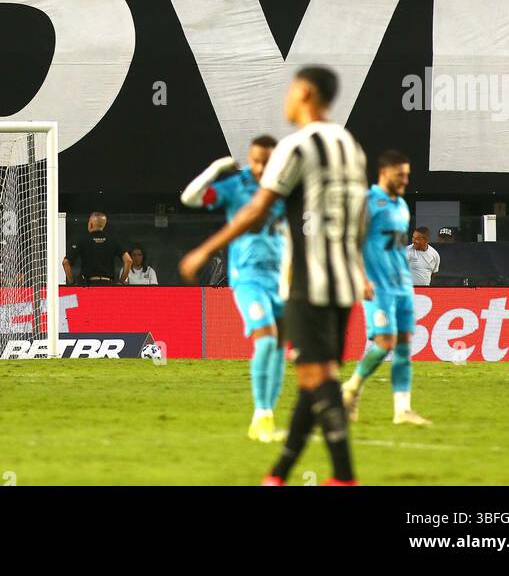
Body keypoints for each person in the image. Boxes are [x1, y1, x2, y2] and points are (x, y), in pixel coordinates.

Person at [180, 65, 368, 488]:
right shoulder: (350, 145)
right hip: (341, 280)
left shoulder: (295, 146)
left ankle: (344, 477)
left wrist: (206, 249)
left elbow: (257, 210)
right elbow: (361, 215)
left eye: (290, 89)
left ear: (305, 92)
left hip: (304, 279)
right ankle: (278, 474)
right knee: (312, 376)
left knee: (317, 378)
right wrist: (358, 267)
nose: (286, 97)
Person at [181, 136, 287, 443]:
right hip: (248, 278)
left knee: (279, 348)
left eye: (267, 162)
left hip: (280, 279)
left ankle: (266, 417)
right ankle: (261, 416)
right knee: (266, 340)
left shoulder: (284, 189)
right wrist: (215, 169)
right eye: (256, 161)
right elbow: (190, 198)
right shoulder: (235, 186)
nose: (261, 167)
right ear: (250, 159)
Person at [341, 150, 430, 426]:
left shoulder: (401, 205)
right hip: (378, 285)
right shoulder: (367, 202)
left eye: (407, 175)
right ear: (383, 173)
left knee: (403, 344)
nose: (405, 180)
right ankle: (352, 387)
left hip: (402, 285)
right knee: (384, 343)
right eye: (399, 175)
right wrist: (360, 278)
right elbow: (350, 242)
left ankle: (402, 409)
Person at [63, 211, 132, 285]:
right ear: (103, 225)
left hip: (88, 285)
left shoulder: (83, 240)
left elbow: (65, 262)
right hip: (108, 284)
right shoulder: (112, 240)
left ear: (91, 225)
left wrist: (72, 283)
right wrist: (121, 281)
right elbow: (128, 261)